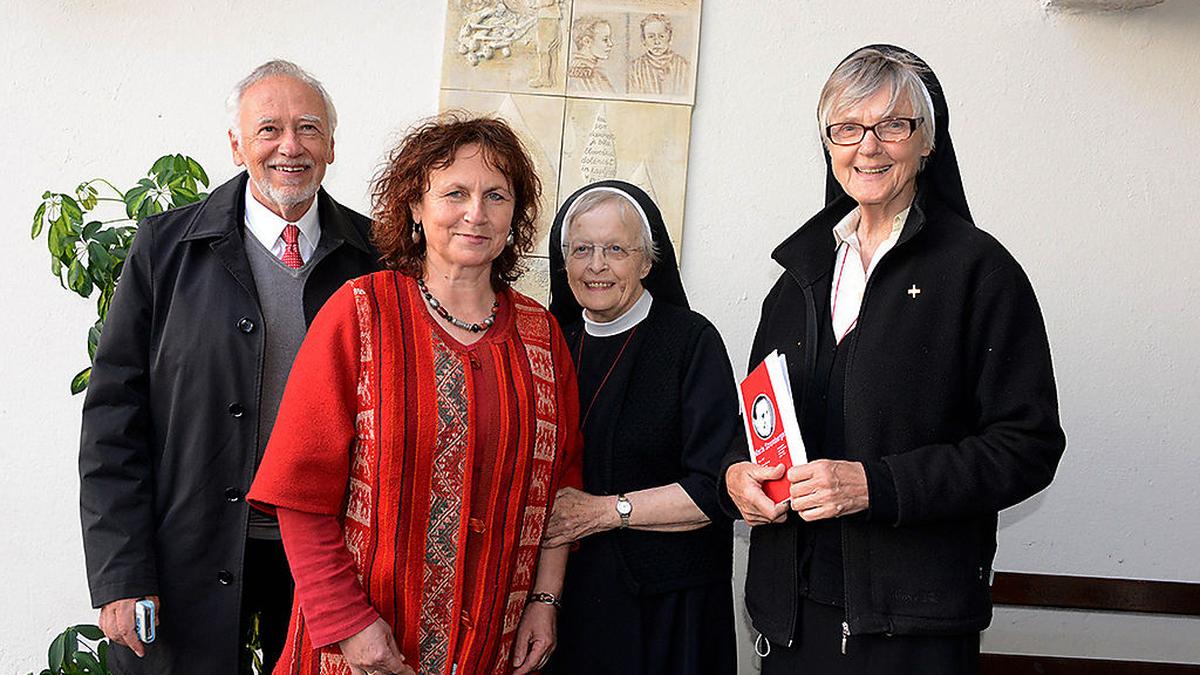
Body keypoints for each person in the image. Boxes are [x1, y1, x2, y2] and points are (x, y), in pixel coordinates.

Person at [721, 45, 1066, 674]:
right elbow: (754, 422)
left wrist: (875, 486)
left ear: (928, 140)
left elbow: (1028, 445)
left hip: (912, 627)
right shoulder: (798, 276)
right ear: (828, 145)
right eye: (847, 129)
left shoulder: (979, 272)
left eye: (892, 125)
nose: (868, 147)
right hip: (791, 619)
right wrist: (738, 478)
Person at [246, 114, 583, 675]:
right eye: (455, 193)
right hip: (359, 653)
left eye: (496, 195)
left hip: (489, 651)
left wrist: (544, 603)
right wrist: (347, 624)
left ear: (513, 218)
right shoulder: (360, 313)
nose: (476, 212)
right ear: (414, 209)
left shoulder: (542, 335)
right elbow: (299, 492)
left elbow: (560, 492)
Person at [79, 60, 380, 674]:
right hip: (184, 550)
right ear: (236, 143)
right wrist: (120, 573)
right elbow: (114, 420)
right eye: (269, 129)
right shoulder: (165, 249)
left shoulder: (376, 259)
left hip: (330, 559)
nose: (289, 147)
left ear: (332, 144)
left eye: (308, 129)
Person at [542, 181, 739, 674]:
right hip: (570, 602)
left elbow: (715, 488)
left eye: (615, 249)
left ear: (648, 261)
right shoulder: (550, 345)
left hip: (668, 610)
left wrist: (608, 511)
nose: (596, 265)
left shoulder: (691, 342)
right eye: (582, 249)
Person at [627, 13, 689, 95]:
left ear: (670, 38)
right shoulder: (635, 68)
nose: (657, 42)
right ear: (643, 40)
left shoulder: (683, 65)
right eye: (651, 37)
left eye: (661, 36)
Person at [567, 16, 615, 93]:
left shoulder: (595, 71)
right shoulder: (584, 71)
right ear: (587, 41)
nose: (610, 44)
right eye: (605, 39)